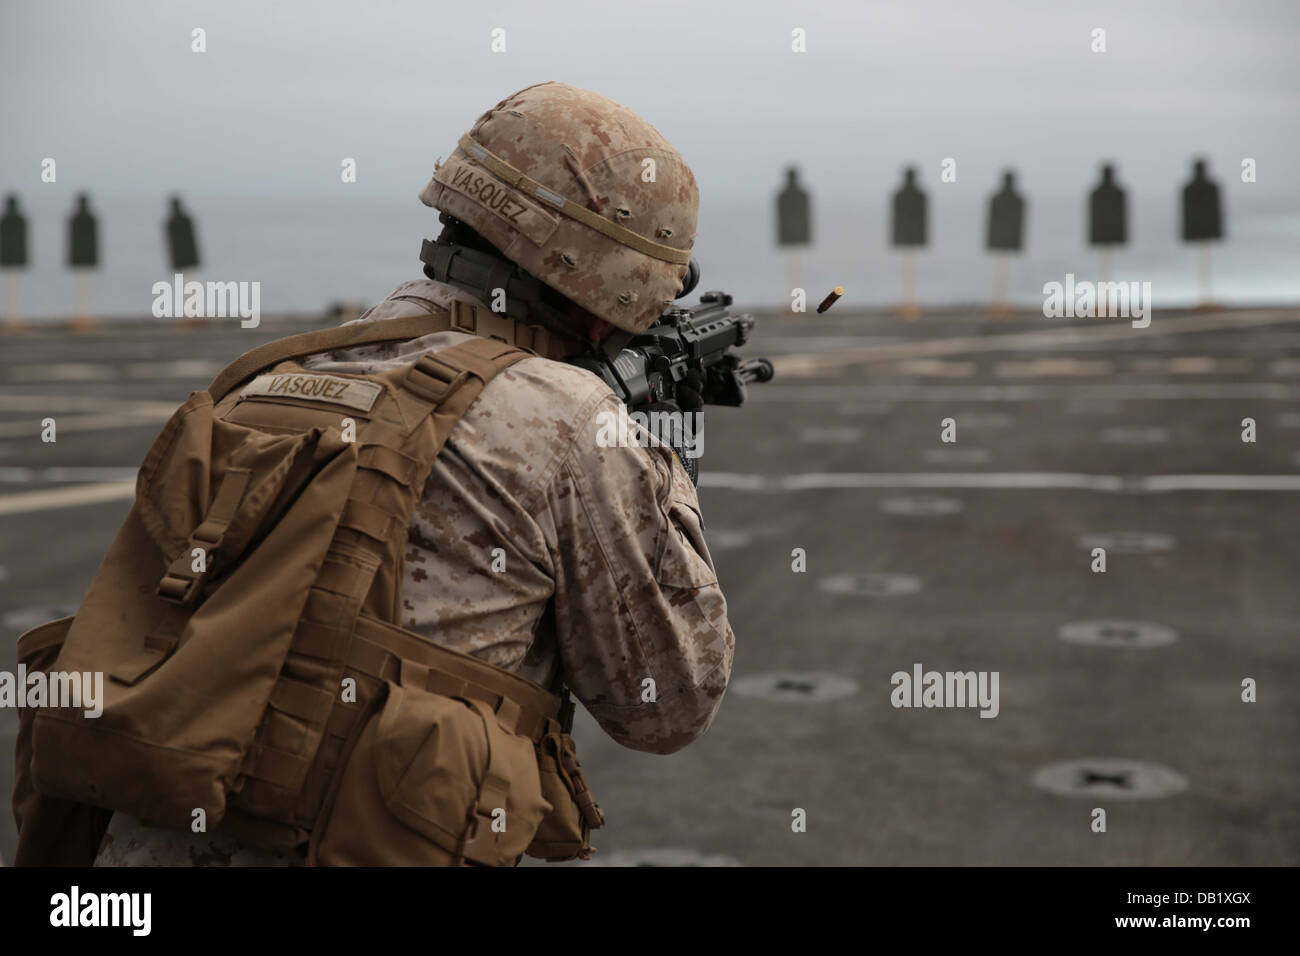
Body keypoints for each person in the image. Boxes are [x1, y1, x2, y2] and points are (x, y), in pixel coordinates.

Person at [93, 80, 735, 866]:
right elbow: (668, 706)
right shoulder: (572, 418)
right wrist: (667, 466)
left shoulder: (265, 381)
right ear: (608, 293)